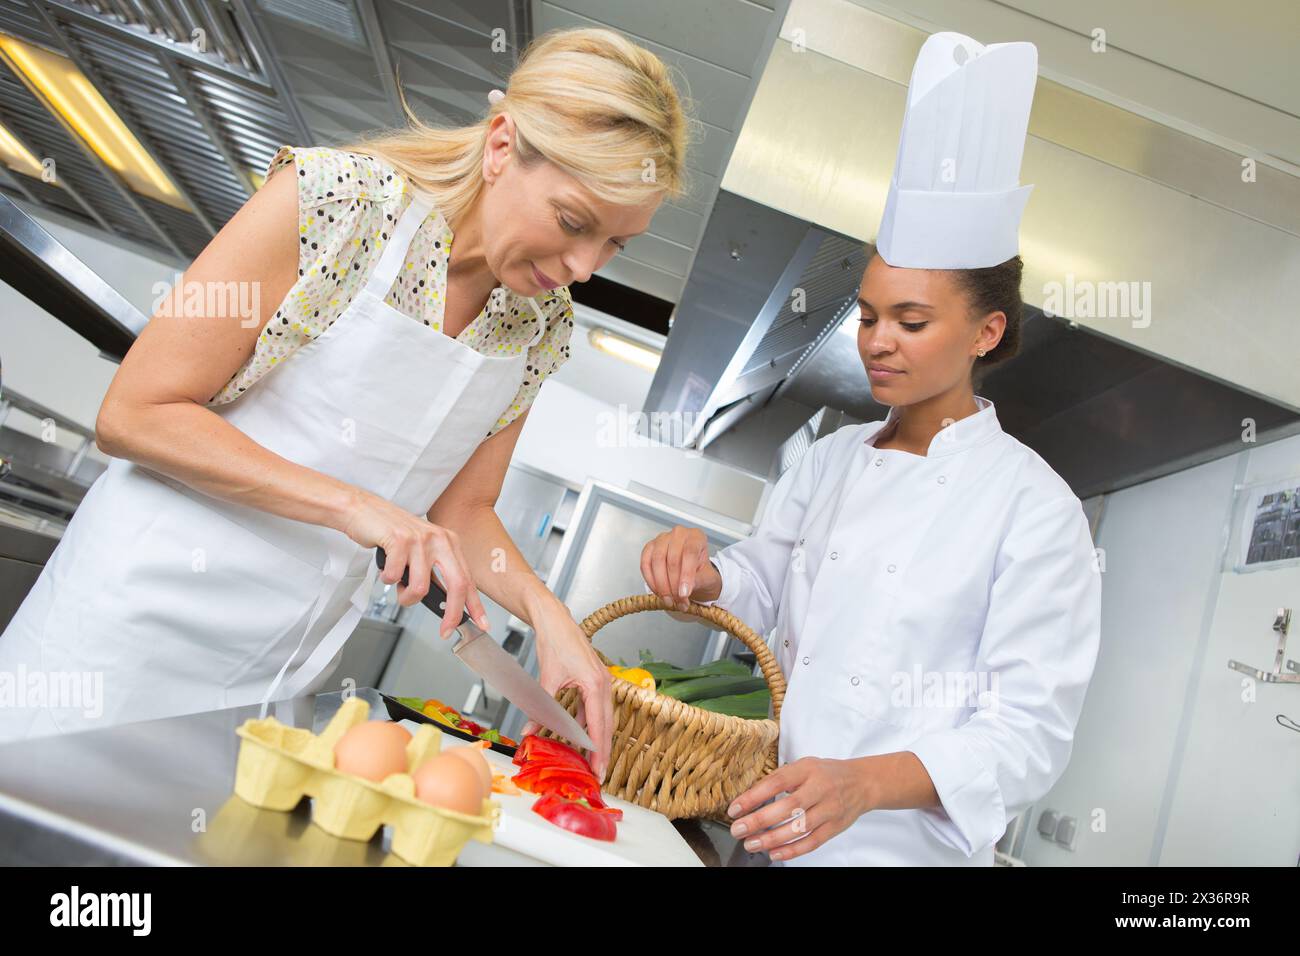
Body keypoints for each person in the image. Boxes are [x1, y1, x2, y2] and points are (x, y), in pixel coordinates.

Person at [0, 27, 689, 780]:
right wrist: (354, 506)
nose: (584, 269)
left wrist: (548, 615)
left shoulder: (538, 324)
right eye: (573, 222)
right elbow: (136, 411)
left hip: (279, 675)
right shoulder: (340, 203)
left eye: (617, 244)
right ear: (501, 146)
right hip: (130, 627)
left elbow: (466, 512)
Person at [640, 32, 1101, 865]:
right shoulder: (829, 458)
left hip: (898, 853)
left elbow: (1027, 734)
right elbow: (764, 588)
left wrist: (863, 783)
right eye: (868, 314)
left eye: (912, 322)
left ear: (987, 332)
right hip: (775, 830)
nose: (878, 342)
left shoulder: (1036, 509)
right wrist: (707, 576)